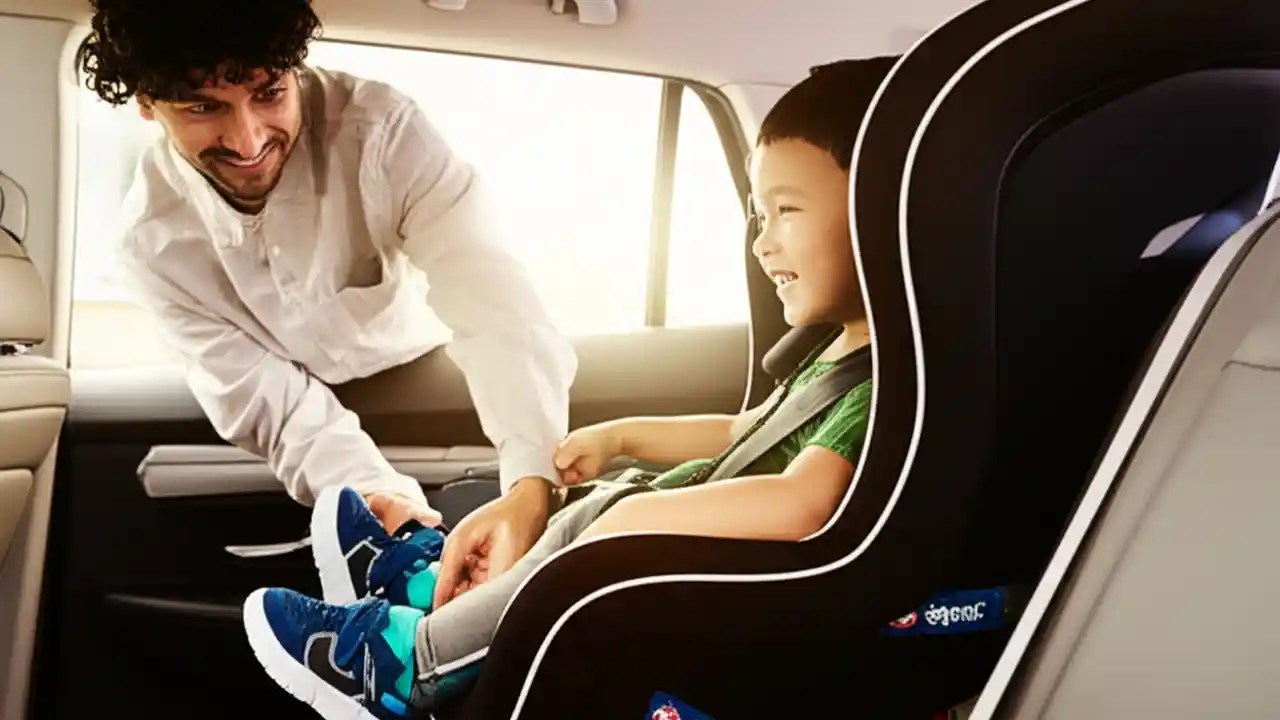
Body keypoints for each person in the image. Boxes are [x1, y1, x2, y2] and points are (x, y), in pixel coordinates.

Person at [241, 56, 897, 719]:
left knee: (594, 527)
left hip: (718, 580)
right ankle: (428, 590)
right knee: (585, 513)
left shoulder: (886, 387)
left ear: (885, 209)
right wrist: (621, 438)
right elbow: (743, 433)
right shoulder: (834, 350)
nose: (761, 244)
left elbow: (805, 501)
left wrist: (643, 516)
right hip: (682, 536)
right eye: (759, 216)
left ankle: (411, 665)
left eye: (786, 211)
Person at [74, 0, 575, 542]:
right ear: (147, 104)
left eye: (269, 94)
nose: (248, 141)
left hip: (421, 369)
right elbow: (270, 402)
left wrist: (531, 480)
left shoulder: (383, 133)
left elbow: (492, 301)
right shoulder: (152, 243)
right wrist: (379, 497)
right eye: (202, 107)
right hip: (309, 434)